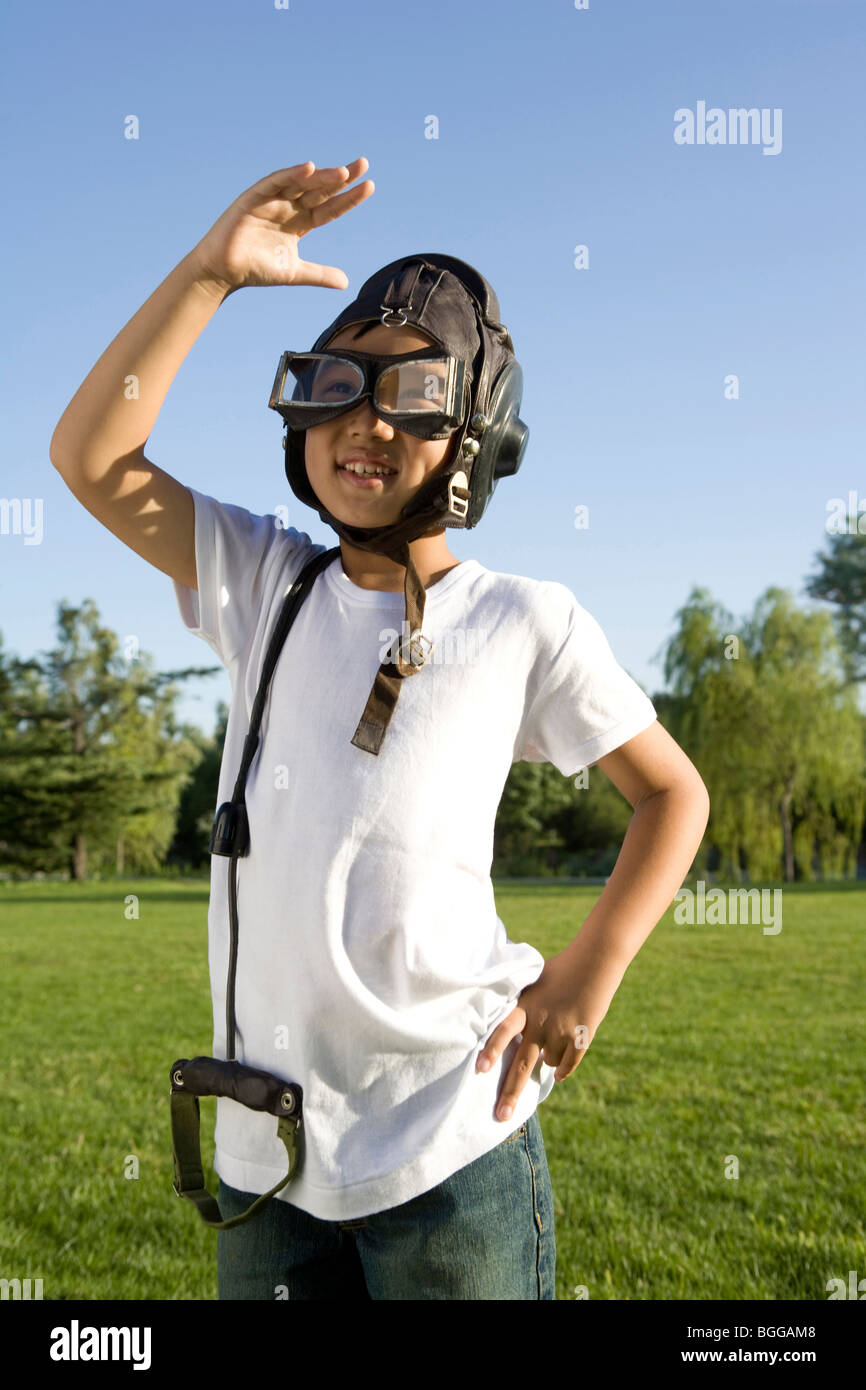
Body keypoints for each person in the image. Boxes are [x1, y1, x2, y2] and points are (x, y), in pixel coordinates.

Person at [50, 160, 711, 1301]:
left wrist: (586, 975)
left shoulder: (521, 619)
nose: (364, 422)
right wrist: (211, 274)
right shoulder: (264, 580)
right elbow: (90, 459)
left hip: (449, 1144)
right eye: (339, 384)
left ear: (472, 440)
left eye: (410, 398)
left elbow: (672, 793)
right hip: (264, 1152)